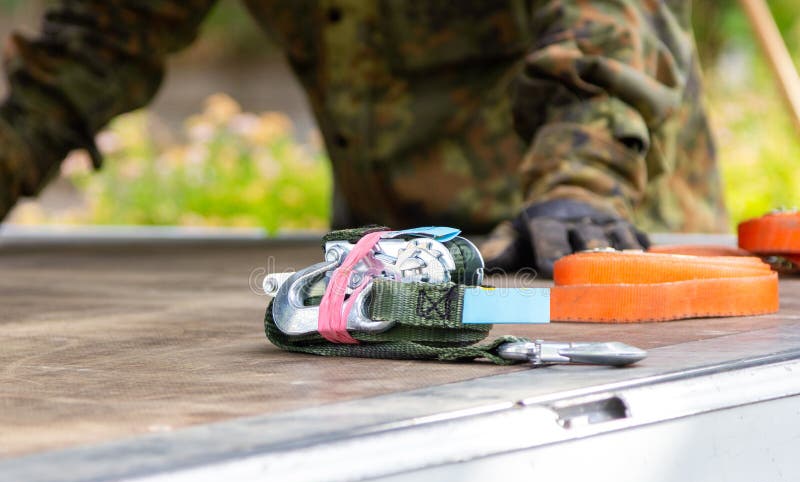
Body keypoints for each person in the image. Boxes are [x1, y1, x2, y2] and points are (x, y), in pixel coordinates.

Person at [0, 1, 728, 277]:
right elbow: (95, 47)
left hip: (592, 248)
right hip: (391, 277)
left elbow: (610, 28)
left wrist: (580, 189)